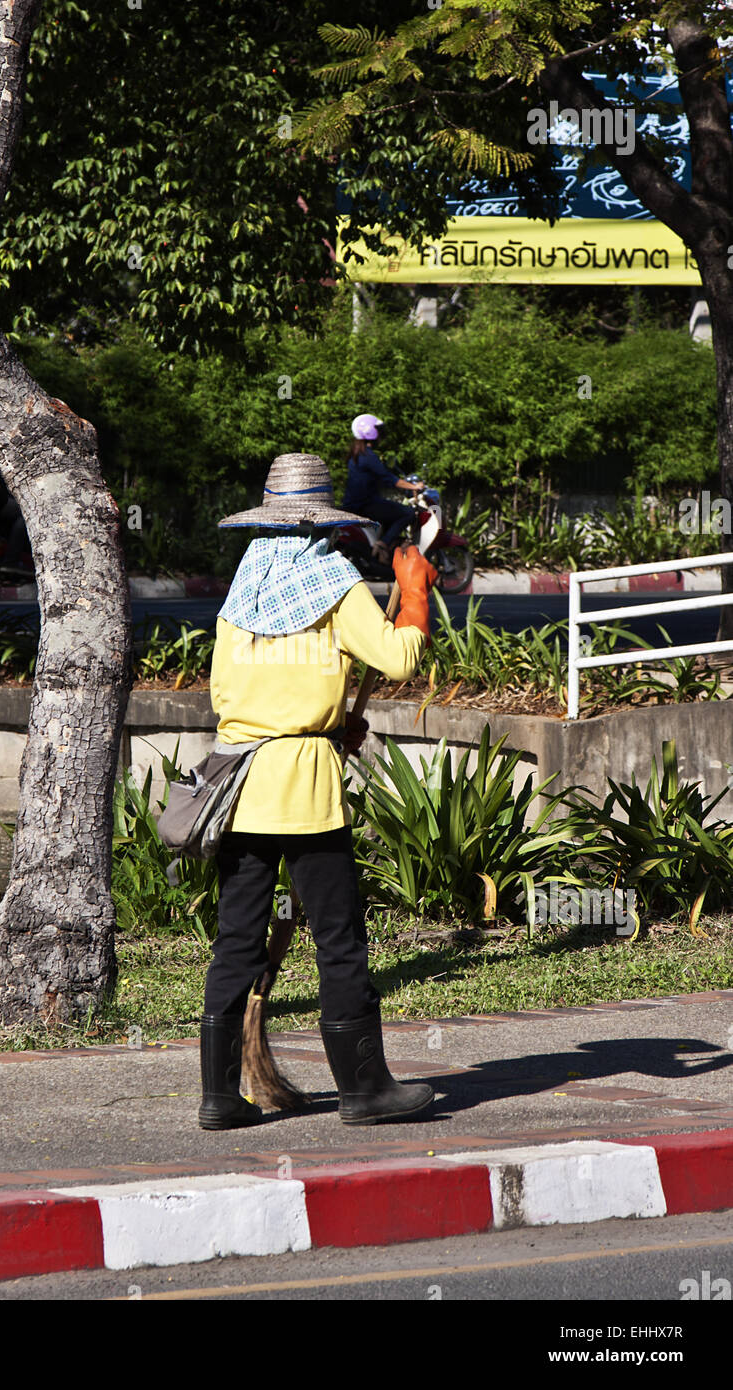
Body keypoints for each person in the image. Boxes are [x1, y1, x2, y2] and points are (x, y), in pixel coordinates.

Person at [199, 451, 439, 1130]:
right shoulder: (332, 582)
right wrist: (414, 589)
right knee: (339, 939)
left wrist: (328, 722)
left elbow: (230, 696)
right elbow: (395, 658)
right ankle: (364, 1092)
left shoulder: (240, 592)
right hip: (305, 790)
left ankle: (219, 1098)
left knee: (236, 941)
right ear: (324, 526)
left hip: (240, 784)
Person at [342, 413, 425, 564]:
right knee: (408, 513)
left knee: (390, 511)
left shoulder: (358, 454)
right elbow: (389, 478)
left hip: (355, 503)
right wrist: (414, 486)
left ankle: (386, 548)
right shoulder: (368, 456)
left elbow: (381, 478)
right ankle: (383, 545)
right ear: (371, 432)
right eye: (378, 430)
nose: (381, 434)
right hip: (365, 505)